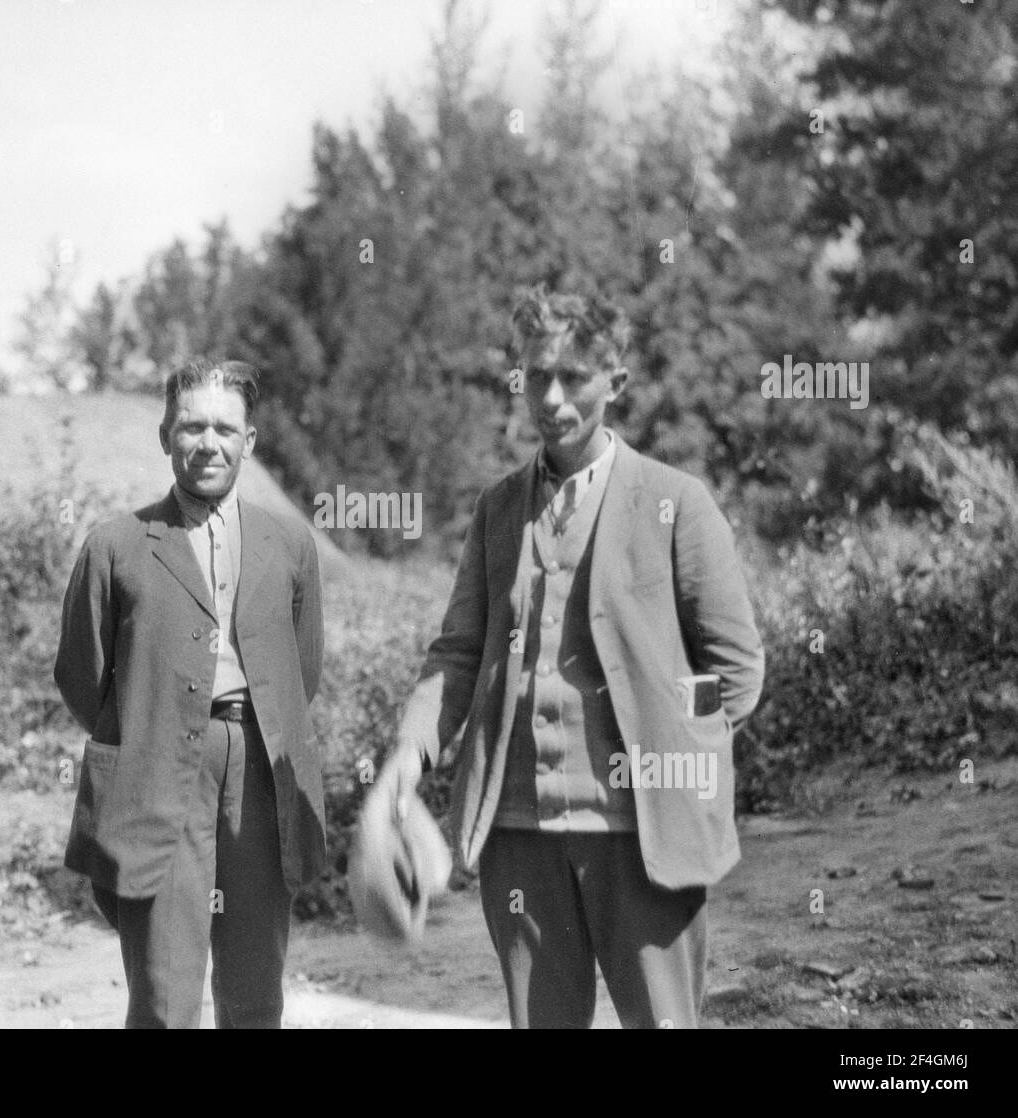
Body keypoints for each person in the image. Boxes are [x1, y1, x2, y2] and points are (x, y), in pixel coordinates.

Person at [376, 286, 765, 1028]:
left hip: (642, 841)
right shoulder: (498, 510)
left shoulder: (676, 502)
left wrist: (676, 743)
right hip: (519, 836)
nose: (552, 398)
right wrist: (409, 752)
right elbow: (458, 654)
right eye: (535, 376)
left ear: (615, 382)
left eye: (575, 376)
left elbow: (736, 668)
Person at [54, 359, 325, 1029]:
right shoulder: (116, 546)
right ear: (164, 436)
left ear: (250, 442)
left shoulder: (289, 541)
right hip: (158, 773)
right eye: (191, 427)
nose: (208, 443)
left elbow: (302, 669)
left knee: (256, 991)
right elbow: (83, 675)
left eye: (225, 429)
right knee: (163, 994)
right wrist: (154, 723)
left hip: (260, 771)